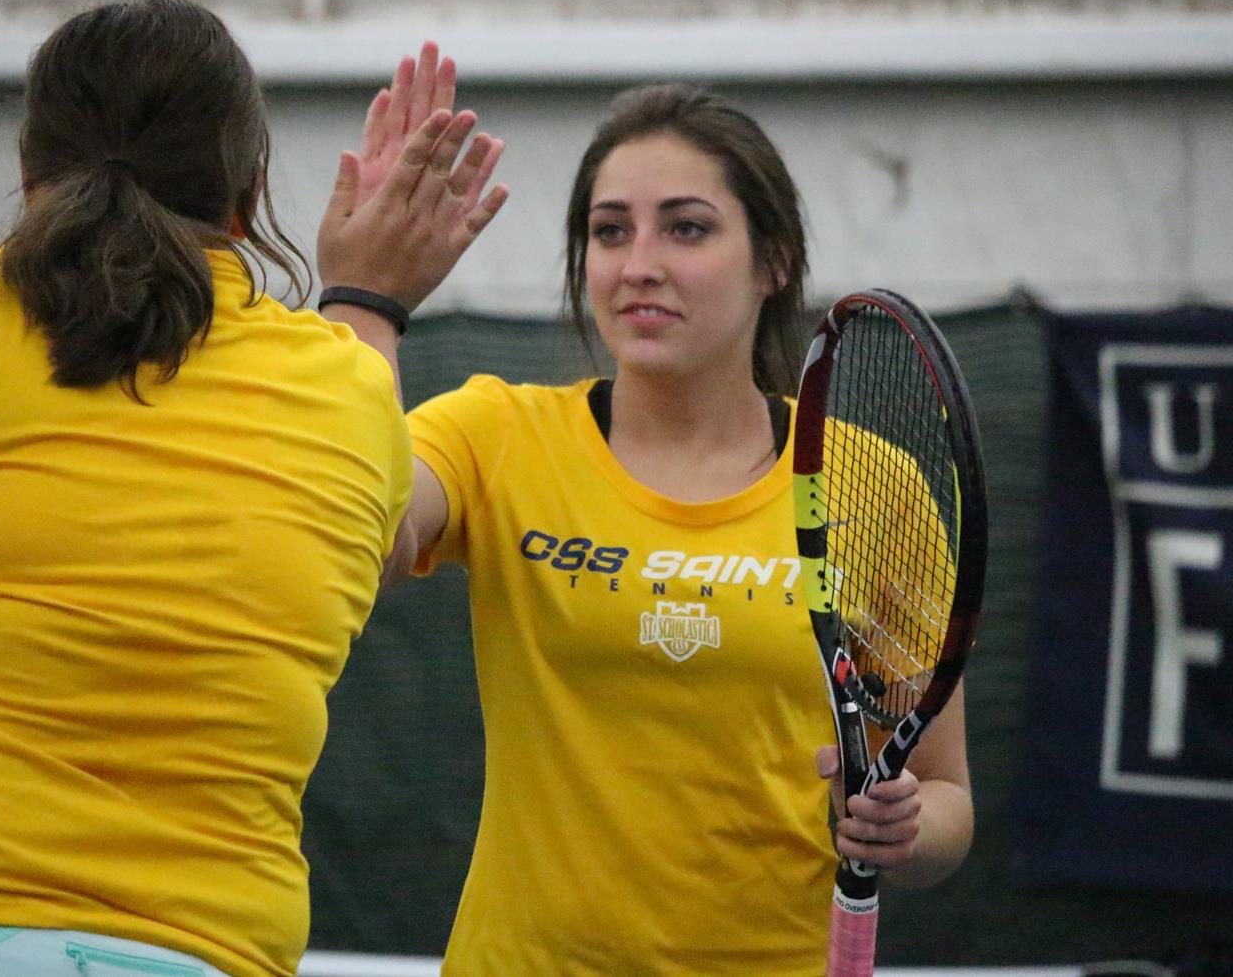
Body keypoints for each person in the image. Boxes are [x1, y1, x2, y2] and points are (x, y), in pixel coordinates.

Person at [0, 1, 504, 977]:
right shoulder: (341, 385)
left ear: (30, 172)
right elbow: (362, 557)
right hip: (199, 949)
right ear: (246, 198)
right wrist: (368, 300)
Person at [343, 74, 973, 973]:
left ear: (774, 260)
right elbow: (353, 525)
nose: (640, 262)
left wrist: (905, 824)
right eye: (610, 231)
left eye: (687, 227)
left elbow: (948, 799)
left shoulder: (870, 482)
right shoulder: (496, 432)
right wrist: (368, 303)